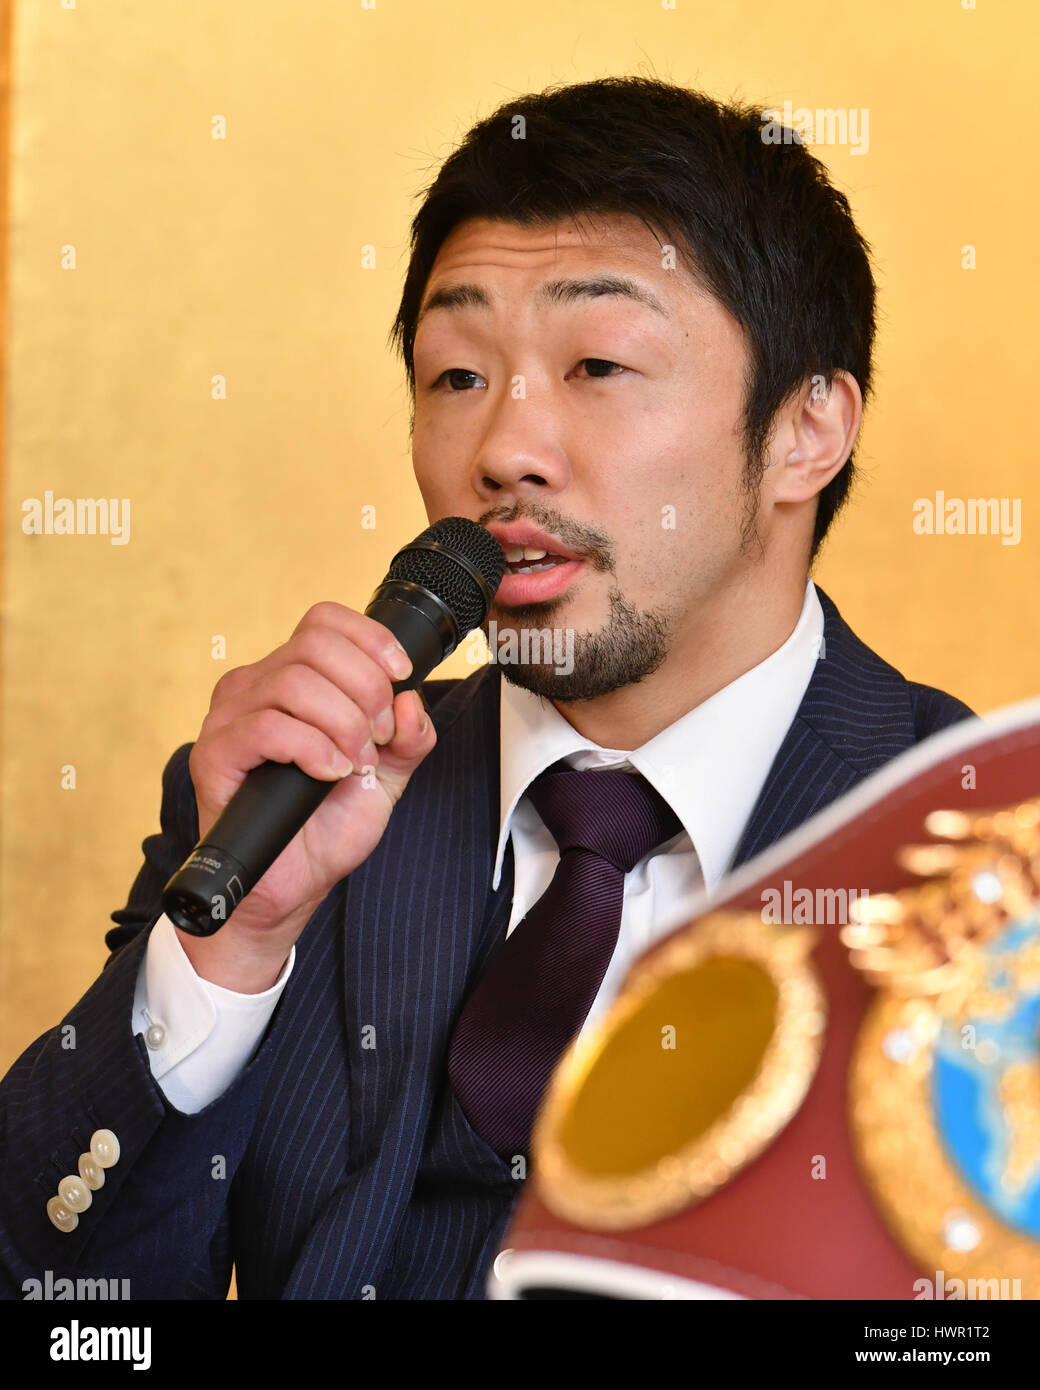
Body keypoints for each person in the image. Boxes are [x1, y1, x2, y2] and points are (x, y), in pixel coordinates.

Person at [1, 76, 974, 1301]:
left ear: (804, 430)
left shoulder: (990, 861)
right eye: (456, 375)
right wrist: (230, 958)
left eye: (599, 365)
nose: (503, 450)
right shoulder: (295, 805)